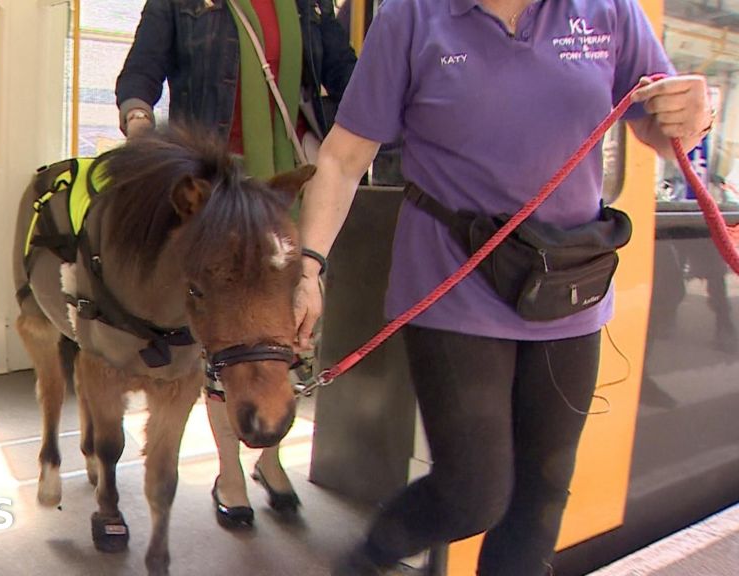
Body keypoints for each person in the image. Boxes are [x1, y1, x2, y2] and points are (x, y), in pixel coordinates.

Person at [290, 1, 713, 574]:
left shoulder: (608, 10)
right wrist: (309, 267)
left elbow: (662, 130)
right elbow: (342, 160)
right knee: (473, 491)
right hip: (454, 281)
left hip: (565, 286)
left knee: (541, 495)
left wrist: (694, 115)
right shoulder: (412, 16)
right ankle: (368, 557)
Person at [115, 0, 357, 527]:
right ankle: (230, 472)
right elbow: (141, 70)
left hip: (288, 184)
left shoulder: (311, 4)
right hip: (218, 192)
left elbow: (348, 78)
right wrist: (138, 120)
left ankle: (270, 455)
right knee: (228, 337)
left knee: (286, 333)